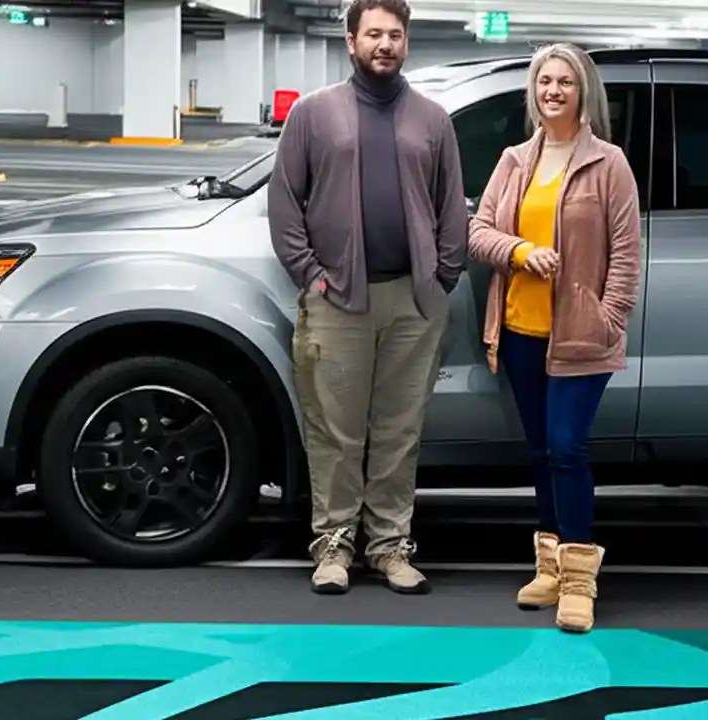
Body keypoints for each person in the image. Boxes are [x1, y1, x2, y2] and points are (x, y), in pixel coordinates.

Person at [267, 0, 467, 596]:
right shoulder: (313, 114)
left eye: (396, 34)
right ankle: (333, 547)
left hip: (413, 302)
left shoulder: (432, 119)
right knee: (335, 431)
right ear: (351, 41)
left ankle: (389, 547)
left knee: (400, 431)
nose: (385, 43)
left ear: (407, 44)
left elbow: (450, 204)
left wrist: (442, 275)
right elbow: (285, 202)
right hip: (337, 302)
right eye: (374, 33)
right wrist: (310, 274)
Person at [467, 43, 641, 633]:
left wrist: (608, 318)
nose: (554, 91)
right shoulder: (515, 160)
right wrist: (519, 251)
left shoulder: (609, 163)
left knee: (568, 447)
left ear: (583, 91)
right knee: (540, 450)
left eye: (566, 81)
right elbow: (479, 232)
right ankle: (548, 567)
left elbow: (625, 255)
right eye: (545, 81)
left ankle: (580, 581)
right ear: (533, 91)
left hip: (578, 335)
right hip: (520, 330)